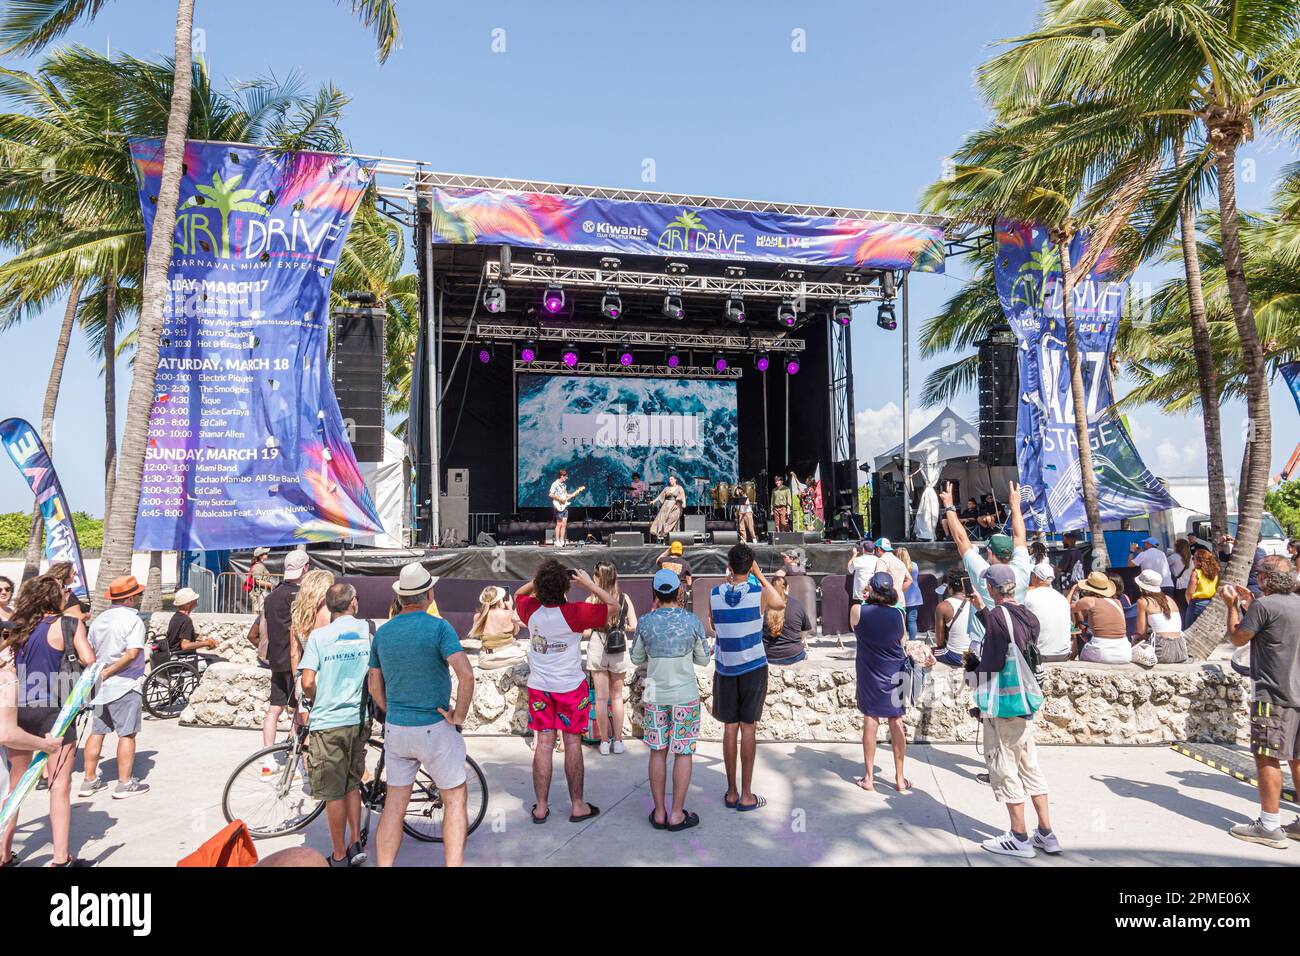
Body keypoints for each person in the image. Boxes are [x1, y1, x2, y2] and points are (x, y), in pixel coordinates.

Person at [368, 563, 474, 867]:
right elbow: (466, 675)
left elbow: (374, 683)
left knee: (394, 805)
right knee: (454, 799)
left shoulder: (384, 633)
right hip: (434, 726)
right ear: (428, 593)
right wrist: (459, 716)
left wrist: (391, 709)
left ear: (402, 597)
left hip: (397, 728)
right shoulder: (439, 628)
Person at [0, 576, 95, 867]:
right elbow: (89, 659)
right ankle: (60, 858)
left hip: (20, 707)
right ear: (56, 596)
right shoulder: (68, 624)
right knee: (59, 786)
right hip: (56, 711)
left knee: (15, 786)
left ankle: (3, 854)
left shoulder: (19, 625)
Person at [515, 559, 616, 823]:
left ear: (539, 587)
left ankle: (540, 807)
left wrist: (538, 582)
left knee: (544, 744)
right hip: (570, 688)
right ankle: (578, 805)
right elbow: (613, 606)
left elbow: (518, 594)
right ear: (565, 586)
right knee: (572, 743)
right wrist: (589, 584)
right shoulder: (575, 613)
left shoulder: (530, 610)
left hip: (540, 689)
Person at [970, 563, 1060, 859]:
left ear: (993, 588)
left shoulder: (999, 616)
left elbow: (994, 661)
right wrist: (984, 611)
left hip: (1004, 705)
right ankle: (1046, 833)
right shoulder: (1026, 615)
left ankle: (1019, 836)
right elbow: (1012, 640)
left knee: (1004, 767)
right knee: (1030, 766)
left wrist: (973, 676)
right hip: (1025, 702)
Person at [1221, 555, 1300, 848]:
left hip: (1273, 694)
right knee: (1297, 758)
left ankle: (1269, 826)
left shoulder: (1264, 606)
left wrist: (1232, 607)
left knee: (1267, 757)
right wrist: (1250, 604)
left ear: (1265, 578)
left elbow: (1238, 639)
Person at [299, 583, 372, 867]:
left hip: (327, 721)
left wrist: (320, 698)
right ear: (353, 602)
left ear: (329, 607)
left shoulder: (319, 637)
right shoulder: (368, 632)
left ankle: (339, 852)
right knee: (353, 783)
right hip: (358, 719)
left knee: (333, 791)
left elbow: (307, 682)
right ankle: (356, 842)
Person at [630, 569, 710, 831]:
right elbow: (703, 659)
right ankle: (677, 814)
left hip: (654, 693)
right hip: (684, 694)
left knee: (657, 751)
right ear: (678, 592)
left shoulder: (645, 622)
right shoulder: (692, 621)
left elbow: (636, 659)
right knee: (683, 752)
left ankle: (660, 813)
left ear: (655, 593)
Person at [707, 542, 783, 812]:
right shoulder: (759, 592)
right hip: (752, 667)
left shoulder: (714, 593)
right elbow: (780, 602)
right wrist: (760, 575)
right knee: (748, 726)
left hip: (726, 667)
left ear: (728, 566)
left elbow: (714, 624)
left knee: (730, 727)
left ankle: (731, 792)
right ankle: (747, 794)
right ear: (749, 566)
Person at [80, 575, 150, 800]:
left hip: (100, 685)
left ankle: (89, 780)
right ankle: (124, 782)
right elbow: (132, 654)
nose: (139, 597)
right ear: (129, 598)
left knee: (97, 732)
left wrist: (100, 673)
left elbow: (87, 653)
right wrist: (110, 671)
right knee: (127, 734)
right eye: (137, 594)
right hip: (124, 683)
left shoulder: (99, 620)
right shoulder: (133, 621)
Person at [940, 480, 1033, 646]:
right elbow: (1020, 537)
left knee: (981, 673)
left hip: (984, 641)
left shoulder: (984, 574)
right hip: (1014, 639)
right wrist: (1015, 506)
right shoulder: (1022, 570)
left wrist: (949, 507)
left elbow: (961, 538)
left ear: (990, 552)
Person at [851, 572, 910, 793]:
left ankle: (868, 778)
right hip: (896, 671)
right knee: (897, 720)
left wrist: (865, 598)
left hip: (870, 670)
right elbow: (902, 640)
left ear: (871, 589)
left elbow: (856, 630)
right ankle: (900, 778)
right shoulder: (898, 614)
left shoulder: (858, 611)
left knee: (871, 718)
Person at [257, 549, 308, 763]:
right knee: (300, 710)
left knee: (274, 709)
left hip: (275, 659)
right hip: (295, 660)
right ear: (305, 568)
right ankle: (294, 759)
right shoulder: (298, 597)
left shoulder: (272, 596)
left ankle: (268, 760)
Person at [584, 561, 637, 755]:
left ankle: (604, 742)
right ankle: (618, 741)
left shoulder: (592, 600)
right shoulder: (624, 598)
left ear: (600, 578)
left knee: (600, 698)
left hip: (598, 644)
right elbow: (634, 624)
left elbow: (587, 631)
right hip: (619, 645)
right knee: (617, 697)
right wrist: (619, 627)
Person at [1069, 571, 1132, 664]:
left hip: (1101, 651)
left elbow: (1064, 608)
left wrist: (1073, 590)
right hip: (1124, 652)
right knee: (1079, 628)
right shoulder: (1117, 602)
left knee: (1074, 628)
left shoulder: (1089, 601)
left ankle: (1072, 654)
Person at [1133, 569, 1188, 663]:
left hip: (1161, 651)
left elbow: (1141, 631)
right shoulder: (1169, 599)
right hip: (1180, 650)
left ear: (1141, 586)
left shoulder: (1143, 602)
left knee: (1135, 641)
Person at [1025, 562, 1073, 662]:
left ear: (1036, 577)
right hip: (1064, 654)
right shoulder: (1062, 598)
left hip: (1040, 655)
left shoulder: (1029, 596)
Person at [469, 586, 525, 670]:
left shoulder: (478, 617)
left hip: (486, 661)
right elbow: (516, 631)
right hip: (510, 657)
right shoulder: (508, 614)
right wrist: (510, 607)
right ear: (499, 600)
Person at [764, 570, 812, 665]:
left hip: (768, 655)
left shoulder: (763, 606)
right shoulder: (797, 605)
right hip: (793, 655)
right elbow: (805, 630)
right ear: (787, 588)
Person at [165, 587, 220, 660]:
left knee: (215, 657)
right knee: (218, 660)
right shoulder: (186, 620)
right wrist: (206, 643)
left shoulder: (176, 617)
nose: (196, 600)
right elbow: (185, 646)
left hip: (173, 655)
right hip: (181, 658)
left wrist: (205, 638)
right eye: (195, 600)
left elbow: (186, 634)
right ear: (189, 604)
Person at [933, 570, 974, 667]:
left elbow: (940, 642)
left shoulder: (943, 607)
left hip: (956, 656)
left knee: (924, 653)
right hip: (976, 654)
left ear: (949, 587)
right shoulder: (978, 602)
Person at [1129, 536, 1176, 602]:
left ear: (1149, 544)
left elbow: (1130, 564)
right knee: (1169, 607)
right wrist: (1140, 552)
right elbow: (1150, 557)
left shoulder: (1144, 554)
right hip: (1168, 585)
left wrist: (1131, 551)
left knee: (1156, 608)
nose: (1144, 545)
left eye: (1145, 543)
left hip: (1154, 587)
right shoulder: (1162, 554)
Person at [1185, 548, 1220, 627]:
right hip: (1210, 603)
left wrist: (1190, 604)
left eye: (1194, 558)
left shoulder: (1196, 572)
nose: (1192, 560)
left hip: (1197, 604)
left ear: (1199, 561)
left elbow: (1189, 593)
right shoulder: (1215, 573)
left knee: (1189, 629)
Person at [649, 475, 686, 541]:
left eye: (671, 479)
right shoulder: (666, 488)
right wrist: (653, 501)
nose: (670, 481)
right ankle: (664, 534)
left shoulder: (679, 488)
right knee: (662, 518)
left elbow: (682, 496)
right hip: (666, 505)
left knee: (672, 518)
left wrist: (682, 504)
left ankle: (666, 532)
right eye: (669, 479)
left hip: (675, 505)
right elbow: (660, 496)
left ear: (675, 480)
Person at [549, 468, 579, 548]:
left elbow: (566, 495)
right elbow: (551, 494)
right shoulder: (555, 484)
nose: (567, 478)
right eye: (565, 476)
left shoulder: (564, 485)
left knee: (564, 524)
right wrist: (560, 499)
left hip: (564, 506)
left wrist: (574, 494)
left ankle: (562, 540)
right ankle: (557, 540)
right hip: (559, 506)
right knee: (559, 524)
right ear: (561, 476)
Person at [897, 547, 923, 640]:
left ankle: (901, 641)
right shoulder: (914, 565)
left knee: (900, 621)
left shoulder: (897, 566)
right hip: (914, 596)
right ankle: (912, 641)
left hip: (902, 595)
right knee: (912, 620)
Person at [1169, 538, 1193, 619]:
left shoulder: (1174, 557)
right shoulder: (1192, 558)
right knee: (1189, 608)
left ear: (1177, 547)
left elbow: (1164, 564)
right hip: (1190, 586)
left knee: (1181, 609)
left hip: (1180, 586)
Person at [245, 547, 275, 612]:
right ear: (260, 556)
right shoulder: (258, 566)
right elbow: (258, 581)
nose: (267, 554)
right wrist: (270, 585)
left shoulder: (259, 565)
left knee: (259, 611)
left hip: (260, 592)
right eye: (265, 553)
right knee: (258, 612)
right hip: (258, 594)